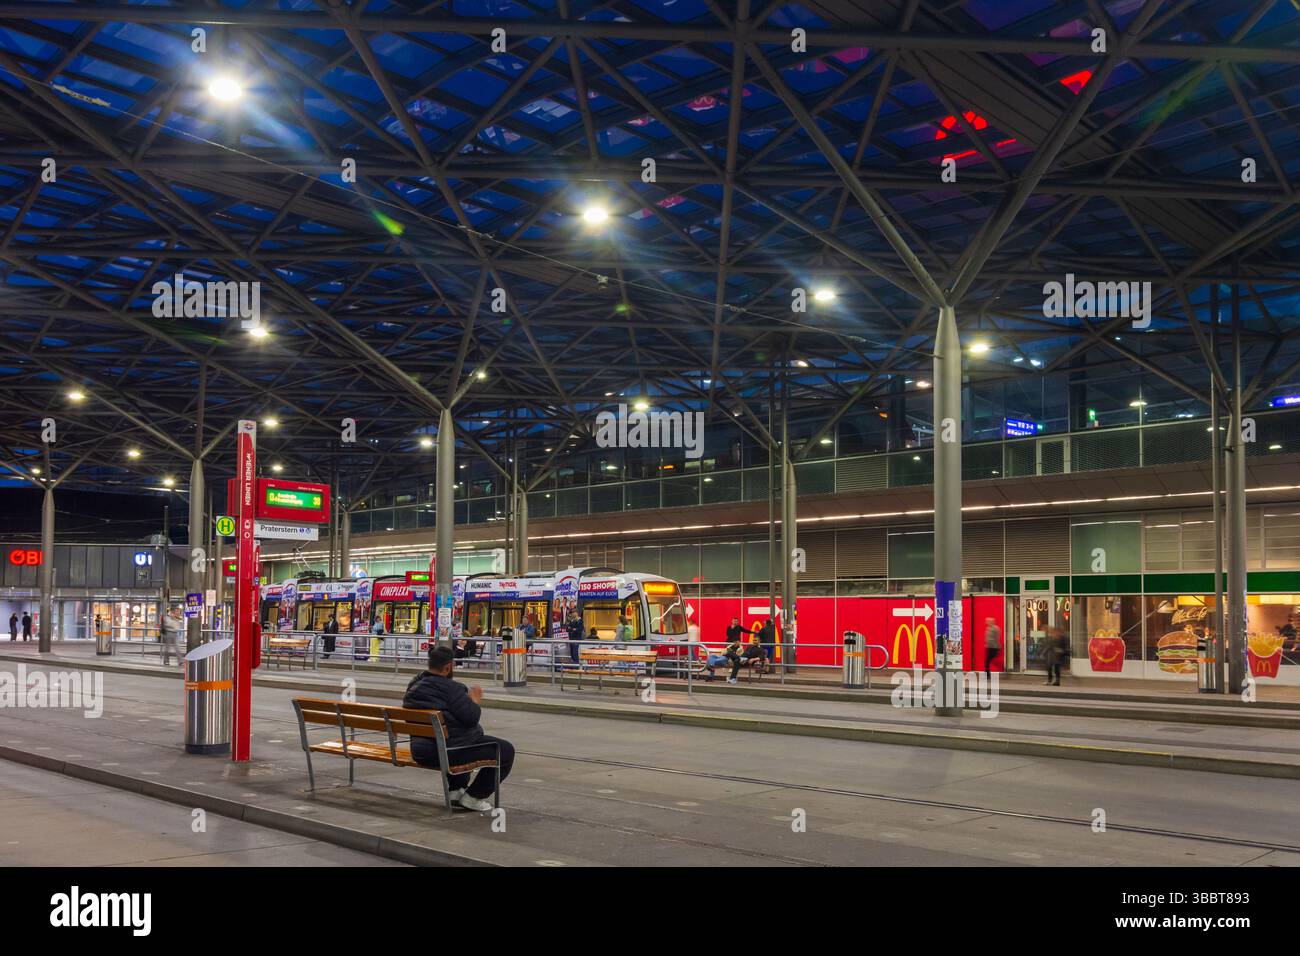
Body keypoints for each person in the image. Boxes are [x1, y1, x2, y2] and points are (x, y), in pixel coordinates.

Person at [403, 645, 514, 812]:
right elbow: (471, 718)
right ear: (448, 667)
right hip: (444, 753)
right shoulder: (453, 689)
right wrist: (474, 700)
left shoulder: (414, 686)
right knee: (505, 750)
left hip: (420, 751)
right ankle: (474, 796)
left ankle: (456, 790)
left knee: (455, 737)